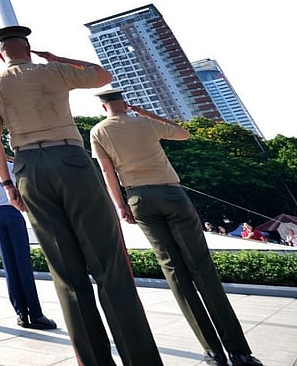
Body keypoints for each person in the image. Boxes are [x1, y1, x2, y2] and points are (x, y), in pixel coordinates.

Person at [0, 24, 162, 366]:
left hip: (28, 168)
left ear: (0, 55)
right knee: (109, 264)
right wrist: (56, 58)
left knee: (66, 273)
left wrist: (7, 185)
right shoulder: (54, 71)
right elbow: (102, 74)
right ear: (28, 49)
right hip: (71, 160)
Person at [91, 90, 262, 366]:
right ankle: (239, 352)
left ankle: (213, 352)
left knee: (173, 270)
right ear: (124, 103)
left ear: (103, 107)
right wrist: (145, 113)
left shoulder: (98, 131)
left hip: (138, 199)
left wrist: (120, 205)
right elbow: (183, 133)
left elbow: (107, 171)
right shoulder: (145, 123)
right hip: (172, 194)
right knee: (201, 267)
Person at [0, 144, 56, 330]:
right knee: (23, 264)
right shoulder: (10, 167)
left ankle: (21, 313)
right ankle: (35, 313)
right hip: (13, 212)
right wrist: (7, 158)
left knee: (9, 266)